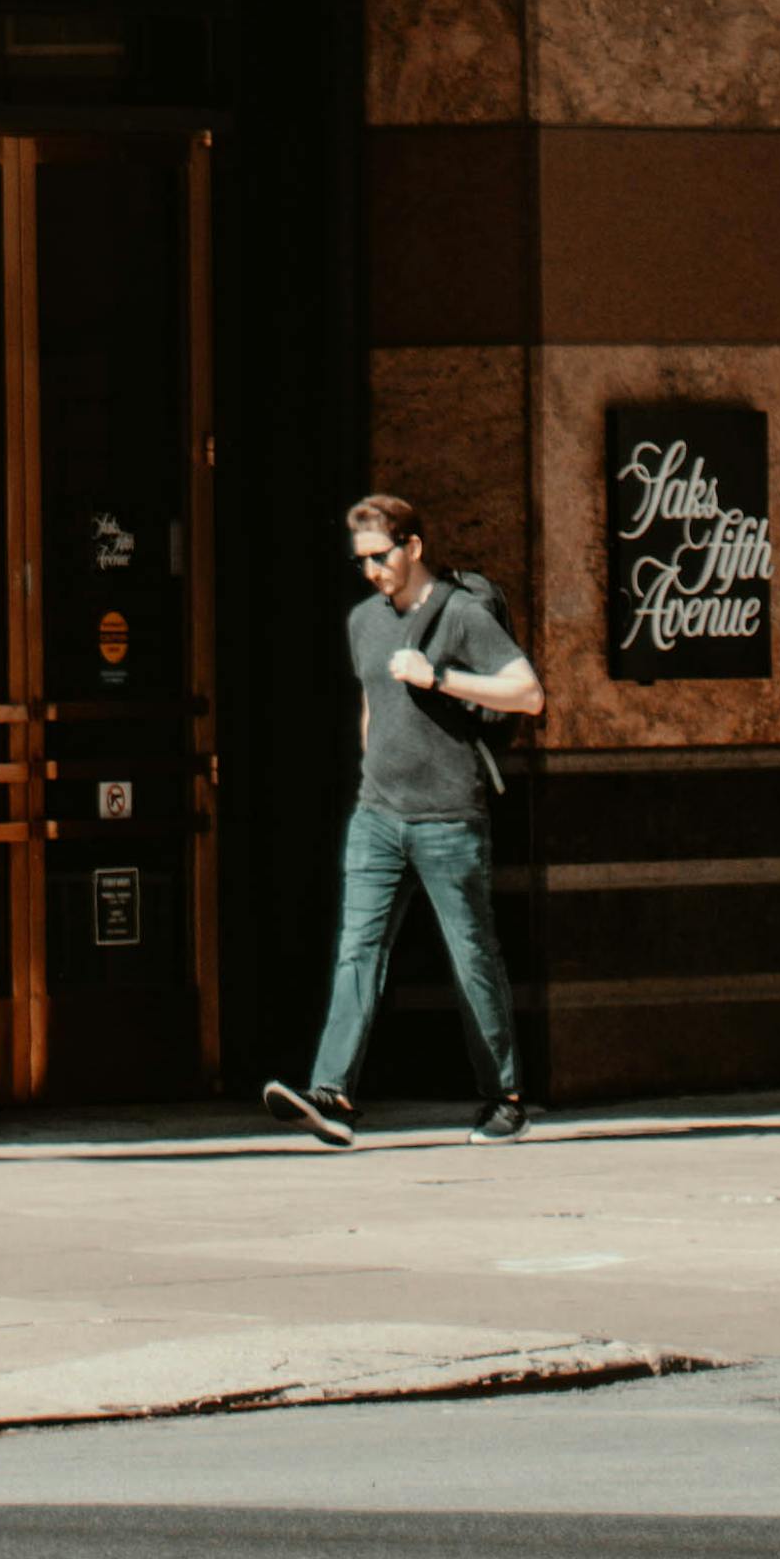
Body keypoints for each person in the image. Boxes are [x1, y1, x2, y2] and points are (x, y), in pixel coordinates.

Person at [262, 482, 540, 1142]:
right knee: (356, 951)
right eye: (360, 559)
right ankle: (332, 1095)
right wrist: (373, 772)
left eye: (381, 555)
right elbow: (371, 708)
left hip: (449, 817)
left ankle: (503, 1098)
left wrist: (437, 678)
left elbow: (527, 694)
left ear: (412, 546)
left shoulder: (461, 614)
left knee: (471, 954)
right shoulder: (363, 621)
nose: (371, 570)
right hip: (377, 817)